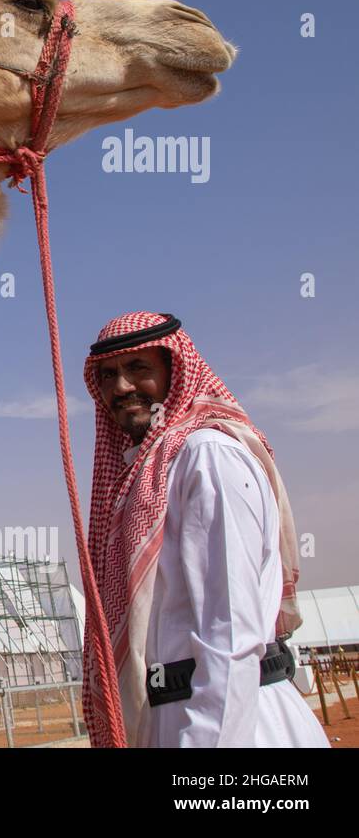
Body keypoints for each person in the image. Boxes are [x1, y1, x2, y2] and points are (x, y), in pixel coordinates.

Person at [80, 310, 328, 747]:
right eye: (108, 374)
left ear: (175, 371)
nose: (121, 387)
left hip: (235, 725)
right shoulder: (142, 475)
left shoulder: (207, 455)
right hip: (172, 718)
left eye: (138, 367)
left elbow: (229, 634)